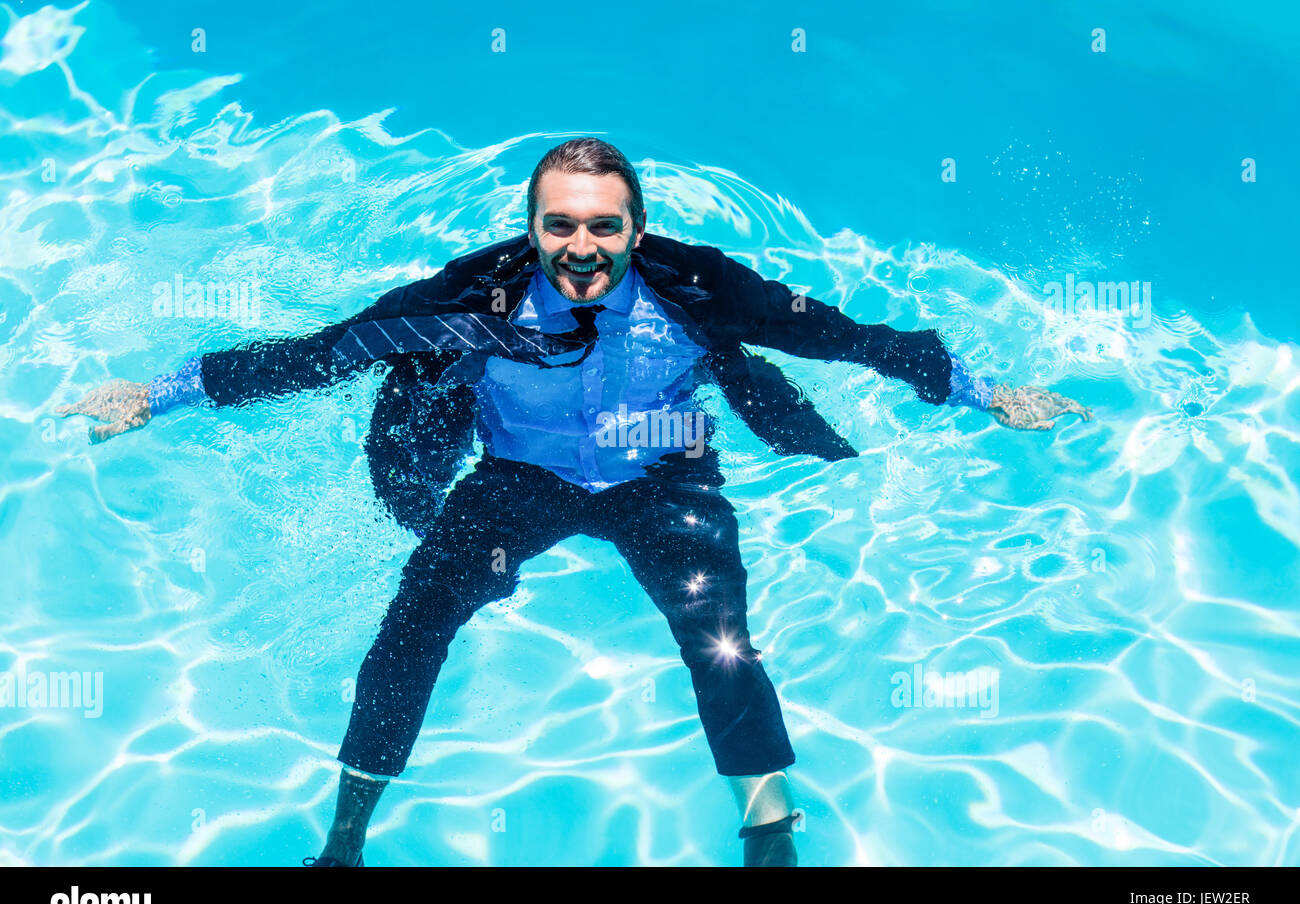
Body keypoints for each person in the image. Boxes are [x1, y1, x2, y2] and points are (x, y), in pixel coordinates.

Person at [57, 137, 1092, 867]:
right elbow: (322, 352)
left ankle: (770, 835)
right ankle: (341, 843)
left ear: (637, 229)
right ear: (532, 226)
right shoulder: (474, 298)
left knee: (719, 637)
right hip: (520, 479)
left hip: (666, 467)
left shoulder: (700, 287)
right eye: (560, 225)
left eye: (604, 226)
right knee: (412, 622)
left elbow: (852, 336)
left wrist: (985, 394)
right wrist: (156, 396)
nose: (581, 247)